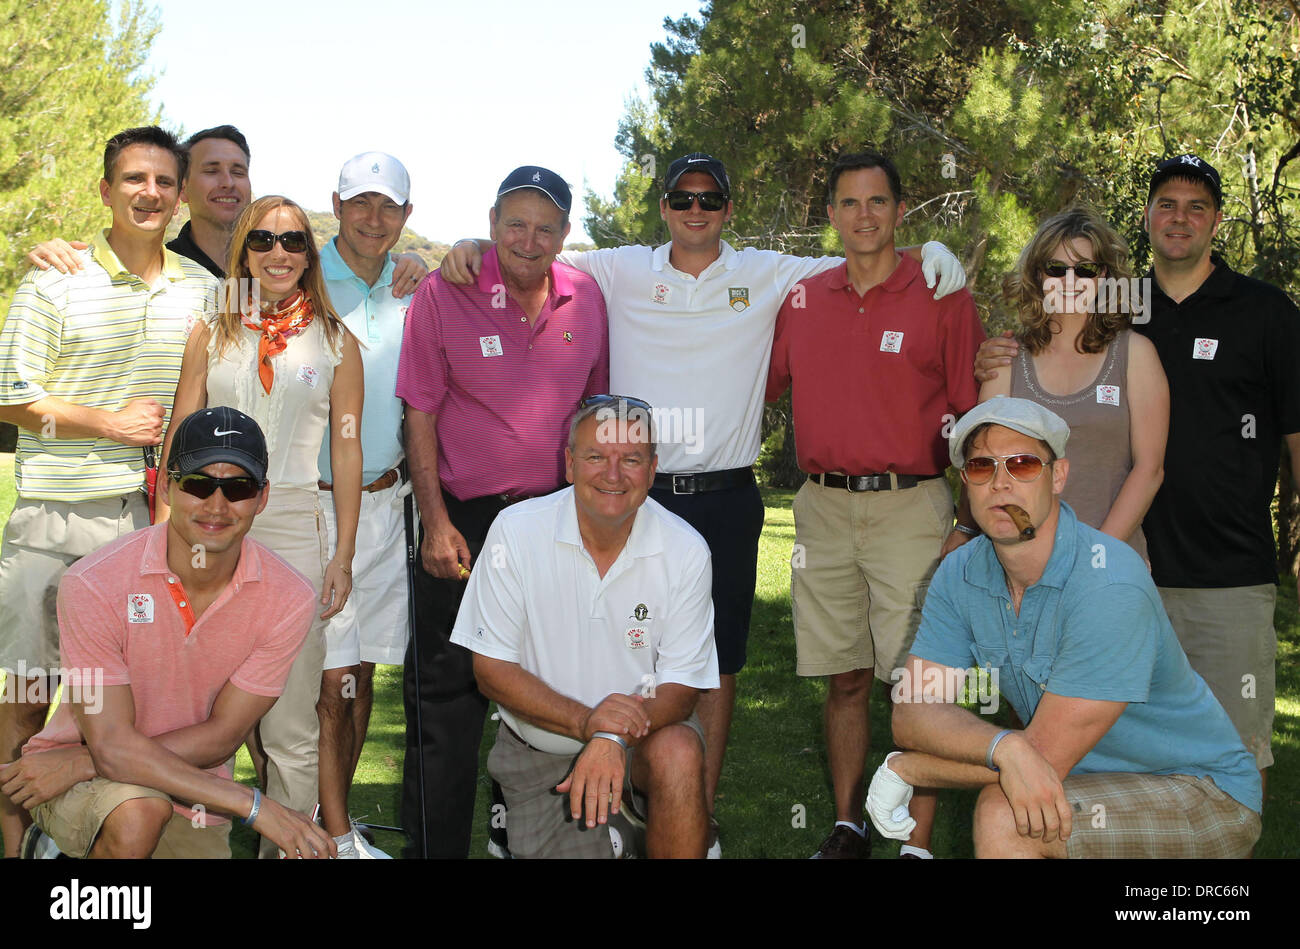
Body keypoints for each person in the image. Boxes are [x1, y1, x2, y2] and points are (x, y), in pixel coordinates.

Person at [439, 151, 967, 854]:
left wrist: (930, 249)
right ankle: (586, 760)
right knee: (600, 634)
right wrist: (473, 247)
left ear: (727, 208)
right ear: (663, 208)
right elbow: (536, 253)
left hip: (724, 494)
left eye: (709, 199)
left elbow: (863, 256)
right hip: (628, 488)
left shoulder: (769, 273)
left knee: (714, 663)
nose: (695, 211)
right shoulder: (620, 266)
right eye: (682, 199)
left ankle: (698, 812)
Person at [976, 155, 1300, 794]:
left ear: (1217, 220)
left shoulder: (1265, 313)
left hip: (1223, 568)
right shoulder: (1122, 310)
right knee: (1116, 759)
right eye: (1167, 204)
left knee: (1233, 754)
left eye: (1197, 206)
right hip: (1119, 578)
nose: (1180, 218)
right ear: (1148, 216)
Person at [866, 397, 1261, 858]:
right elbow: (914, 713)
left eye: (1023, 464)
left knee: (1009, 815)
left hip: (1197, 789)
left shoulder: (1108, 582)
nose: (1000, 483)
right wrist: (1005, 747)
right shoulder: (960, 574)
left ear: (1058, 477)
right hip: (1083, 781)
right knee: (1019, 797)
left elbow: (1043, 759)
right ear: (965, 487)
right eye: (981, 467)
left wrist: (911, 768)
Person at [0, 125, 219, 857]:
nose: (149, 193)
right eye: (132, 179)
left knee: (114, 708)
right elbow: (6, 396)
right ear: (105, 190)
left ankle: (83, 834)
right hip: (52, 521)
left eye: (163, 181)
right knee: (23, 701)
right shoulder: (53, 279)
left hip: (145, 526)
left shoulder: (205, 291)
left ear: (179, 196)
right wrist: (107, 422)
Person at [765, 150, 985, 859]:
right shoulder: (802, 299)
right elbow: (757, 382)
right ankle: (848, 824)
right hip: (823, 508)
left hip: (910, 505)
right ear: (829, 215)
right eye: (849, 204)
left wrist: (968, 519)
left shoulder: (942, 292)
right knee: (846, 676)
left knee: (914, 685)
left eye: (878, 202)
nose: (864, 216)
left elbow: (970, 409)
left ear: (899, 210)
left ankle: (914, 845)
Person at [0, 408, 337, 859]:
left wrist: (80, 763)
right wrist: (255, 805)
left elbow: (222, 736)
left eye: (238, 488)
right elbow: (113, 745)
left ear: (262, 498)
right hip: (98, 783)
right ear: (166, 486)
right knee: (139, 812)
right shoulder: (94, 582)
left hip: (183, 788)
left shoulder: (289, 596)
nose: (217, 505)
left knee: (150, 808)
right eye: (198, 484)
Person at [396, 165, 608, 858]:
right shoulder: (445, 289)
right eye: (515, 223)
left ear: (564, 235)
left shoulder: (587, 297)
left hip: (555, 523)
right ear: (491, 225)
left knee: (549, 688)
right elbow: (419, 412)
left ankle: (532, 836)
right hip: (464, 519)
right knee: (447, 702)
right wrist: (434, 520)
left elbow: (596, 415)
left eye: (545, 226)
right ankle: (437, 848)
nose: (529, 238)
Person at [158, 195, 364, 859]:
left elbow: (348, 449)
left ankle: (289, 850)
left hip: (294, 532)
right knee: (188, 703)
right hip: (204, 525)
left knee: (291, 721)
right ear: (244, 250)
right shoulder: (212, 327)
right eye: (265, 240)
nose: (279, 253)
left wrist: (344, 556)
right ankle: (187, 843)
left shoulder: (335, 342)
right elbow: (181, 432)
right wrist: (160, 534)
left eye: (295, 241)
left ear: (309, 253)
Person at [452, 396, 718, 858]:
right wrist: (587, 723)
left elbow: (682, 685)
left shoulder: (687, 550)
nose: (613, 475)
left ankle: (660, 828)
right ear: (570, 464)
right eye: (596, 456)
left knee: (678, 750)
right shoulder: (514, 533)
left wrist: (611, 736)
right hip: (542, 754)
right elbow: (490, 669)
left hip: (642, 742)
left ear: (653, 470)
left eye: (631, 460)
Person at [313, 152, 415, 858]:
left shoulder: (416, 288)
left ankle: (331, 823)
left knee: (364, 669)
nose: (374, 219)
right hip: (318, 505)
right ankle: (332, 831)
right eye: (361, 203)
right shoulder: (302, 276)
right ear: (337, 204)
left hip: (390, 501)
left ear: (408, 215)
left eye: (389, 206)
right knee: (330, 679)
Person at [24, 125, 426, 296]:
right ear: (183, 189)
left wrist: (411, 260)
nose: (227, 182)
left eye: (238, 171)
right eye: (211, 171)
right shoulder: (162, 270)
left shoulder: (283, 267)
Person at [981, 205, 1167, 559]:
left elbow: (1150, 469)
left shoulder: (1136, 355)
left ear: (1106, 278)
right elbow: (988, 473)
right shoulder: (1005, 361)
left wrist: (1095, 554)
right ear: (1036, 275)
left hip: (1110, 564)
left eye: (1085, 269)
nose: (1070, 282)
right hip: (1019, 564)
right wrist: (1027, 554)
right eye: (1056, 268)